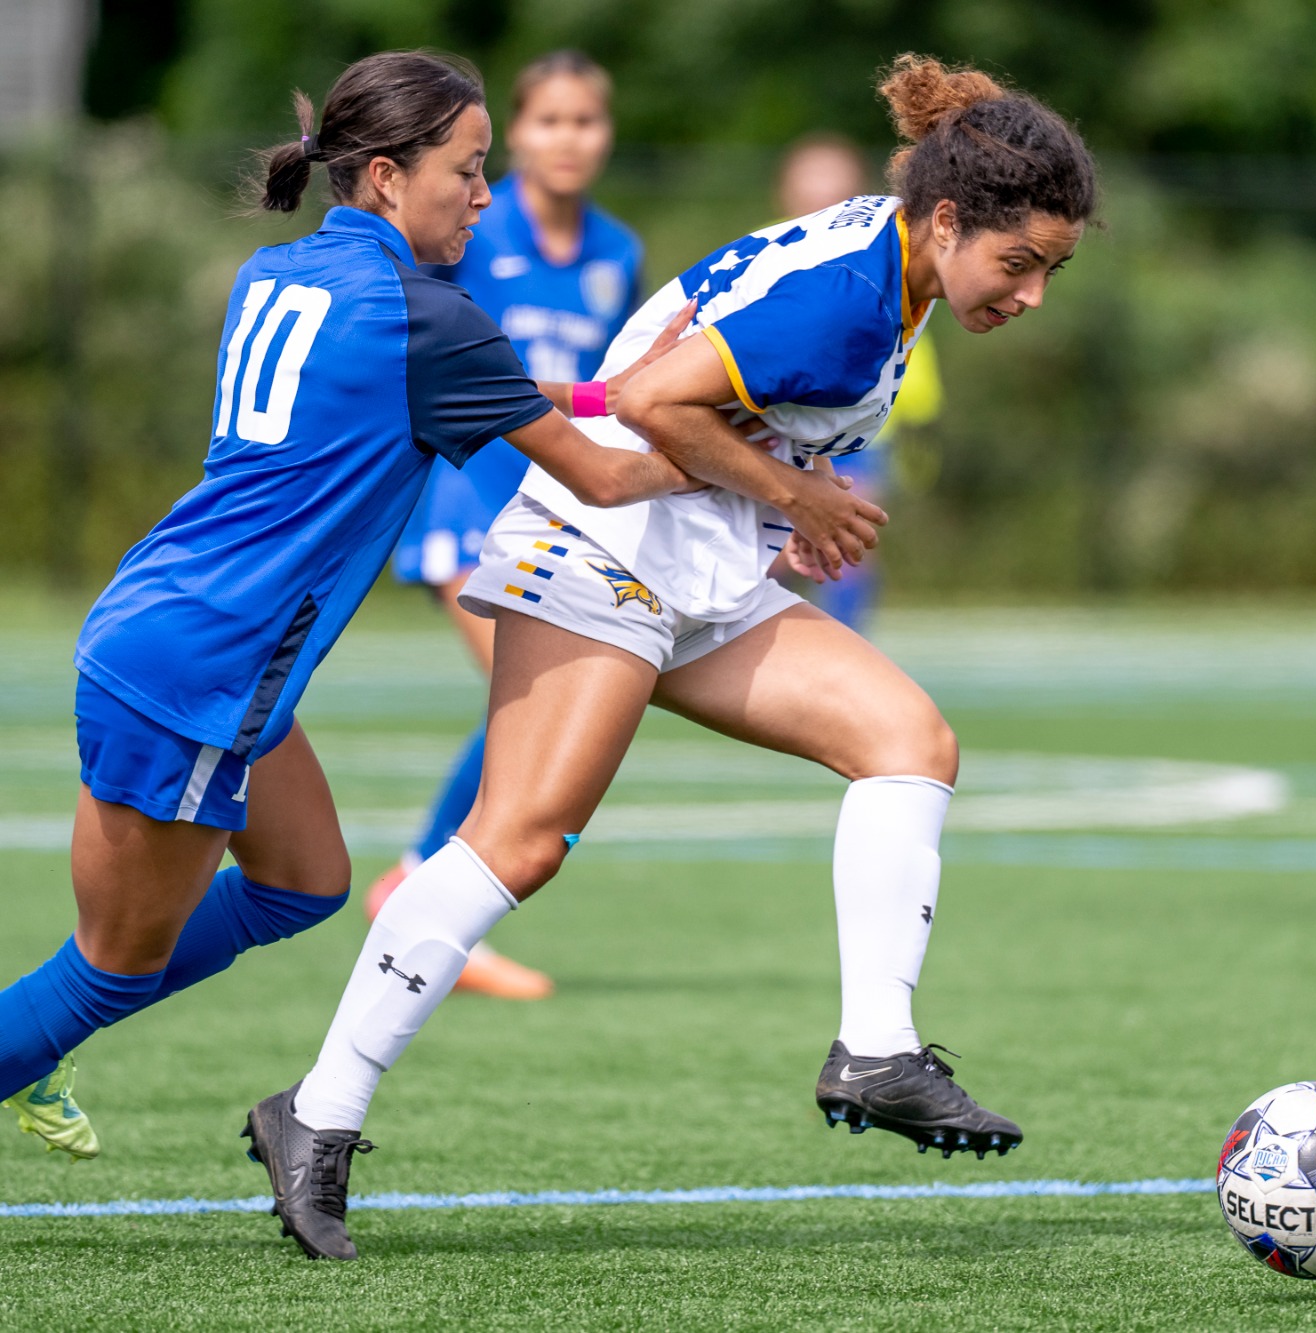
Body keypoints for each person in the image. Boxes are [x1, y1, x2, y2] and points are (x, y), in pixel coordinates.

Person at [250, 53, 1098, 1261]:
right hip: (604, 542)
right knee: (518, 842)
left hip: (698, 558)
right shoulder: (852, 292)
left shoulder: (894, 270)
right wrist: (793, 498)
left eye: (1051, 273)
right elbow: (652, 401)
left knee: (908, 741)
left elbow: (705, 404)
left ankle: (875, 1049)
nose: (1030, 296)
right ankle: (315, 1114)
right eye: (1018, 265)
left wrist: (769, 507)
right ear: (949, 219)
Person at [0, 50, 695, 1163]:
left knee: (307, 882)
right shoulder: (429, 315)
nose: (485, 192)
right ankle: (34, 1038)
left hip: (176, 625)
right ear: (382, 176)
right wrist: (764, 466)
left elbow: (491, 380)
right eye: (468, 171)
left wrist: (628, 393)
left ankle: (46, 1024)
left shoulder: (280, 273)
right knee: (111, 966)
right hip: (206, 669)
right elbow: (604, 474)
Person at [368, 51, 645, 1001]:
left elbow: (612, 393)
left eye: (587, 121)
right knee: (525, 704)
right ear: (515, 133)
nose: (569, 138)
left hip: (559, 506)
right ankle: (420, 885)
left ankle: (426, 886)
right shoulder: (476, 220)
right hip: (466, 497)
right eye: (550, 121)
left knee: (535, 712)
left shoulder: (617, 252)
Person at [771, 133, 944, 632]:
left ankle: (848, 648)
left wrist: (915, 444)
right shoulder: (767, 256)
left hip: (861, 443)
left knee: (847, 547)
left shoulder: (888, 265)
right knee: (773, 550)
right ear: (787, 193)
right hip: (776, 435)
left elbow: (913, 360)